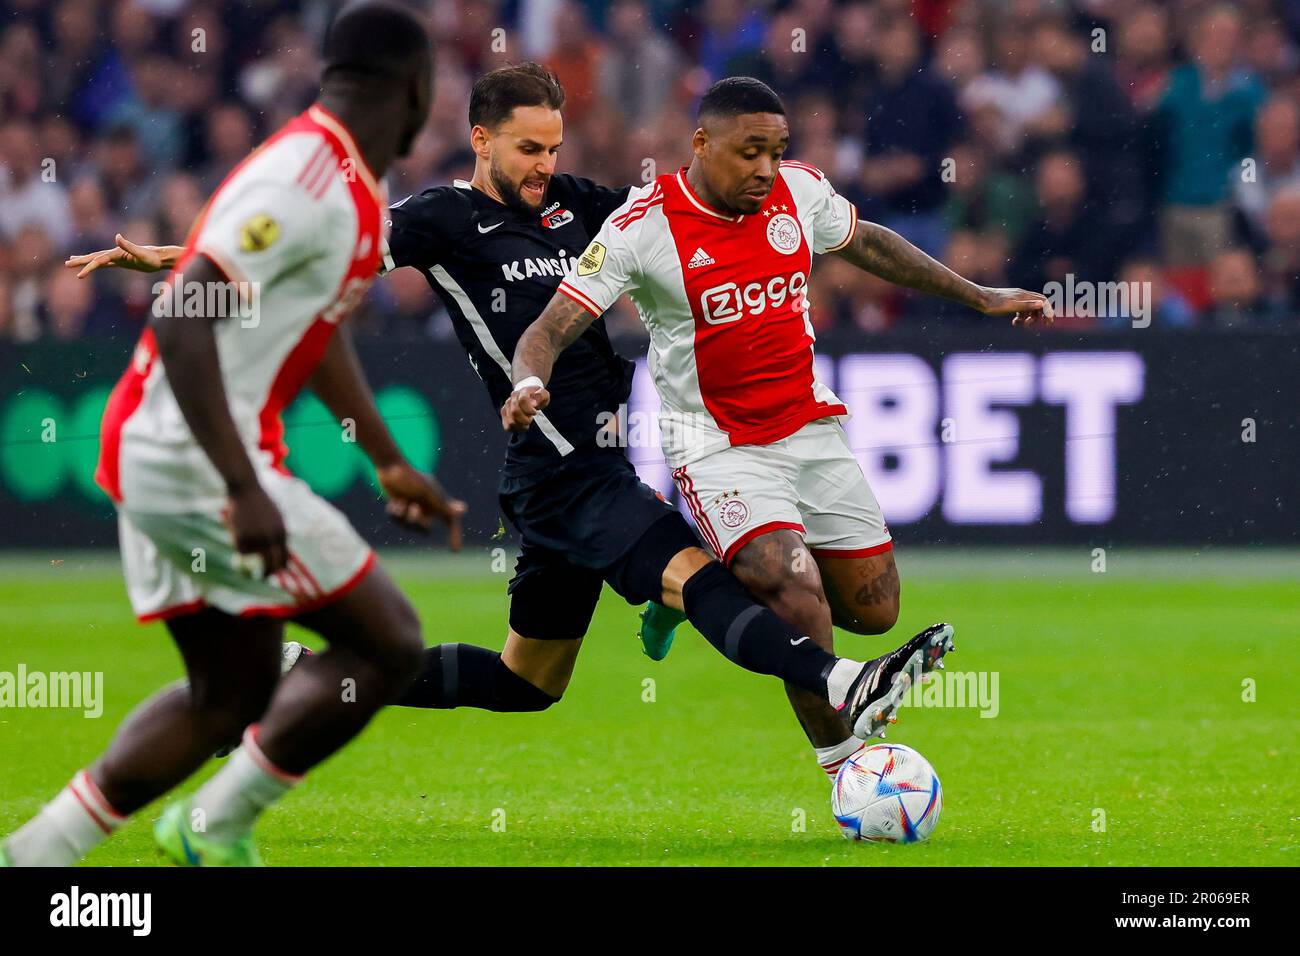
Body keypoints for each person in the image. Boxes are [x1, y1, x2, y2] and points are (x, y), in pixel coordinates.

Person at [60, 63, 954, 800]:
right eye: (528, 147)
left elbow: (672, 218)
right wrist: (184, 259)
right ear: (481, 139)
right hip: (561, 470)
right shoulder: (443, 220)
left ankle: (293, 674)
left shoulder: (579, 204)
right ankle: (842, 683)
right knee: (697, 577)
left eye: (553, 146)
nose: (543, 164)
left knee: (528, 684)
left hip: (592, 462)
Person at [1, 1, 459, 868]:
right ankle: (216, 826)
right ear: (415, 88)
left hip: (166, 451)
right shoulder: (306, 180)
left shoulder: (353, 185)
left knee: (231, 690)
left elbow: (318, 334)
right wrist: (243, 487)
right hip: (196, 459)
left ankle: (35, 856)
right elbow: (183, 313)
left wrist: (388, 459)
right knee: (388, 643)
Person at [504, 76, 1051, 781]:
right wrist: (527, 381)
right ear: (701, 144)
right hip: (716, 442)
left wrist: (977, 296)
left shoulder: (800, 192)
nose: (765, 167)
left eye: (776, 150)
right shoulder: (644, 226)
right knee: (793, 589)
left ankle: (693, 591)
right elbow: (550, 326)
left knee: (874, 611)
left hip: (808, 426)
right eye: (749, 151)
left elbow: (871, 244)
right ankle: (848, 768)